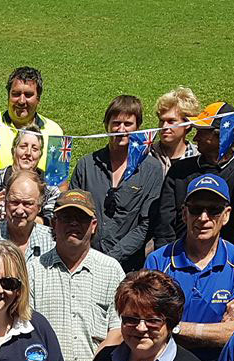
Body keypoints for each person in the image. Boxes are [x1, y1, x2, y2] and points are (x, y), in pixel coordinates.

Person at [143, 174, 234, 361]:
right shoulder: (158, 261)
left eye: (213, 210)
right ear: (185, 214)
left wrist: (173, 327)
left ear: (226, 215)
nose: (204, 218)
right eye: (196, 209)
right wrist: (218, 328)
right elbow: (148, 327)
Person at [27, 190, 125, 361]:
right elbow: (26, 330)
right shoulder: (32, 270)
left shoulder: (111, 270)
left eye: (81, 218)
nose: (73, 223)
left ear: (93, 225)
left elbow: (118, 329)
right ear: (54, 223)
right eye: (66, 217)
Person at [70, 95, 172, 271]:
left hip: (129, 267)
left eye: (128, 124)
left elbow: (146, 224)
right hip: (84, 261)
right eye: (116, 123)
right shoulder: (87, 165)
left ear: (138, 127)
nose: (121, 129)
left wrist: (112, 258)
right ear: (107, 126)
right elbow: (73, 211)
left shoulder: (151, 169)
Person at [156, 99, 234, 244]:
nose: (195, 138)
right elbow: (164, 224)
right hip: (178, 255)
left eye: (202, 132)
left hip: (222, 257)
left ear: (221, 136)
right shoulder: (181, 170)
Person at [83, 271, 211, 361]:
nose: (141, 328)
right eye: (131, 319)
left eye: (152, 321)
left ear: (170, 323)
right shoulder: (104, 360)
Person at [0, 169, 57, 261]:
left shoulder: (53, 242)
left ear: (39, 207)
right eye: (14, 202)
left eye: (27, 204)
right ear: (5, 202)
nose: (19, 210)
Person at [150, 87, 202, 173]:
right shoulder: (148, 155)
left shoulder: (198, 157)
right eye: (162, 121)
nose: (164, 126)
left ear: (187, 124)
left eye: (171, 121)